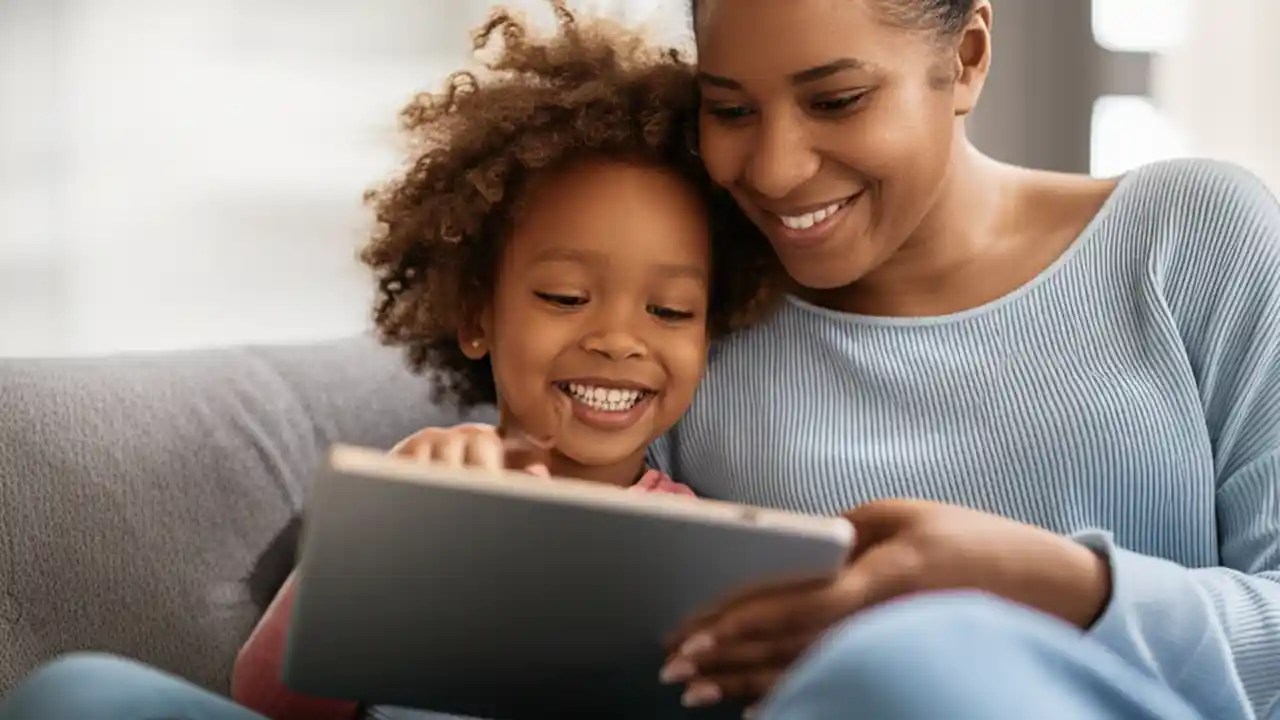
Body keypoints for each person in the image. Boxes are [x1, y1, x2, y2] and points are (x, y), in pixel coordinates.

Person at [4, 0, 1279, 719]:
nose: (774, 169)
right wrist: (415, 530)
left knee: (899, 664)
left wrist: (1053, 584)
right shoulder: (708, 309)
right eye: (728, 110)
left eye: (836, 99)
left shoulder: (1193, 237)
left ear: (968, 57)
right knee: (86, 700)